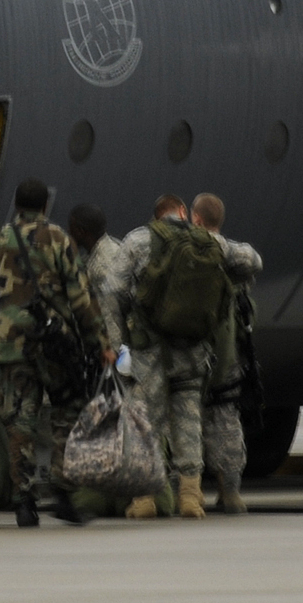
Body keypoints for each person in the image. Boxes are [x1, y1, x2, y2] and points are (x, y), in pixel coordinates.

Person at [0, 177, 114, 528]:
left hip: (8, 346)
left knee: (20, 423)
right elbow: (81, 296)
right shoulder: (59, 239)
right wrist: (101, 345)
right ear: (46, 206)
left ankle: (24, 502)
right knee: (67, 414)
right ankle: (63, 493)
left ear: (16, 205)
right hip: (54, 345)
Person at [112, 194, 219, 520]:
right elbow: (249, 261)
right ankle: (190, 497)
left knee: (145, 421)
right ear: (183, 212)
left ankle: (144, 501)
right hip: (191, 347)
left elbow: (111, 290)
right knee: (188, 419)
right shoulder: (203, 239)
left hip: (149, 350)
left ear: (156, 216)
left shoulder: (137, 240)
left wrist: (117, 344)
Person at [193, 193, 264, 514]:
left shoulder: (187, 251)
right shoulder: (237, 257)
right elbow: (254, 262)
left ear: (196, 219)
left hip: (189, 351)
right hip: (227, 354)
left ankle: (186, 490)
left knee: (183, 419)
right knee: (225, 417)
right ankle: (230, 491)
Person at [67, 202, 126, 351]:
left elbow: (112, 317)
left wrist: (109, 351)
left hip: (115, 350)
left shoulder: (102, 266)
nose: (68, 232)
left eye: (71, 228)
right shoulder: (110, 247)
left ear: (81, 231)